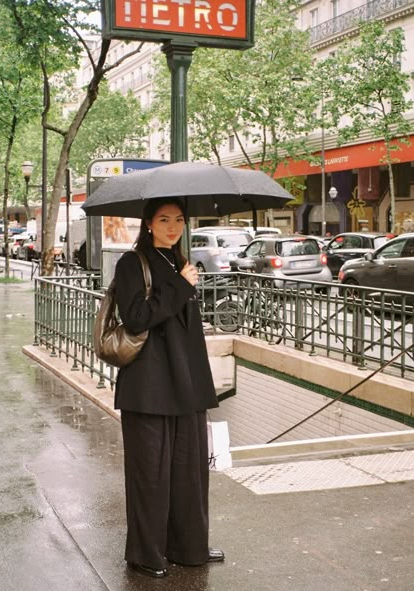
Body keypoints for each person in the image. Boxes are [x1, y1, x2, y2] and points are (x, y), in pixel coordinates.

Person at [114, 197, 224, 578]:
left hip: (187, 382)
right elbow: (137, 317)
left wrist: (182, 280)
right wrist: (179, 285)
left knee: (189, 470)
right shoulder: (132, 264)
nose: (173, 227)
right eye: (164, 219)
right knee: (151, 474)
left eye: (179, 219)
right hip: (149, 385)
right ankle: (147, 553)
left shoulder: (181, 263)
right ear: (148, 223)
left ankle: (189, 546)